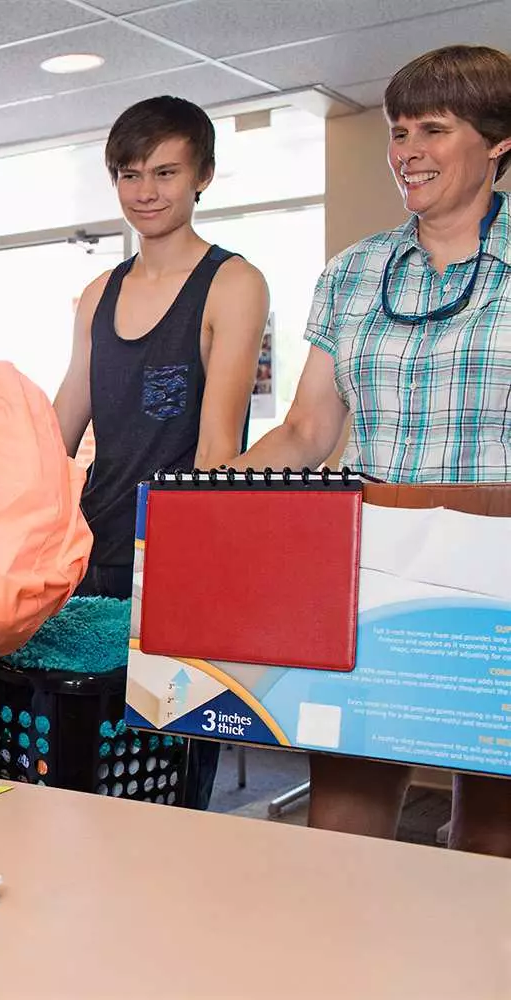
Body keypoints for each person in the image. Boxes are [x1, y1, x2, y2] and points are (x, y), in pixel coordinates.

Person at [234, 45, 511, 856]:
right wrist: (194, 501)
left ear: (497, 141)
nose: (407, 151)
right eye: (397, 131)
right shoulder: (354, 273)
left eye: (434, 128)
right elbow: (309, 432)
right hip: (375, 577)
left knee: (493, 842)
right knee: (342, 835)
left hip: (498, 582)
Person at [52, 95, 269, 808]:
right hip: (95, 555)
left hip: (182, 560)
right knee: (90, 766)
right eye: (130, 174)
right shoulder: (97, 293)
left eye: (165, 173)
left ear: (202, 175)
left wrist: (197, 578)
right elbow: (62, 426)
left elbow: (215, 446)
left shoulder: (232, 283)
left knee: (171, 777)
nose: (145, 192)